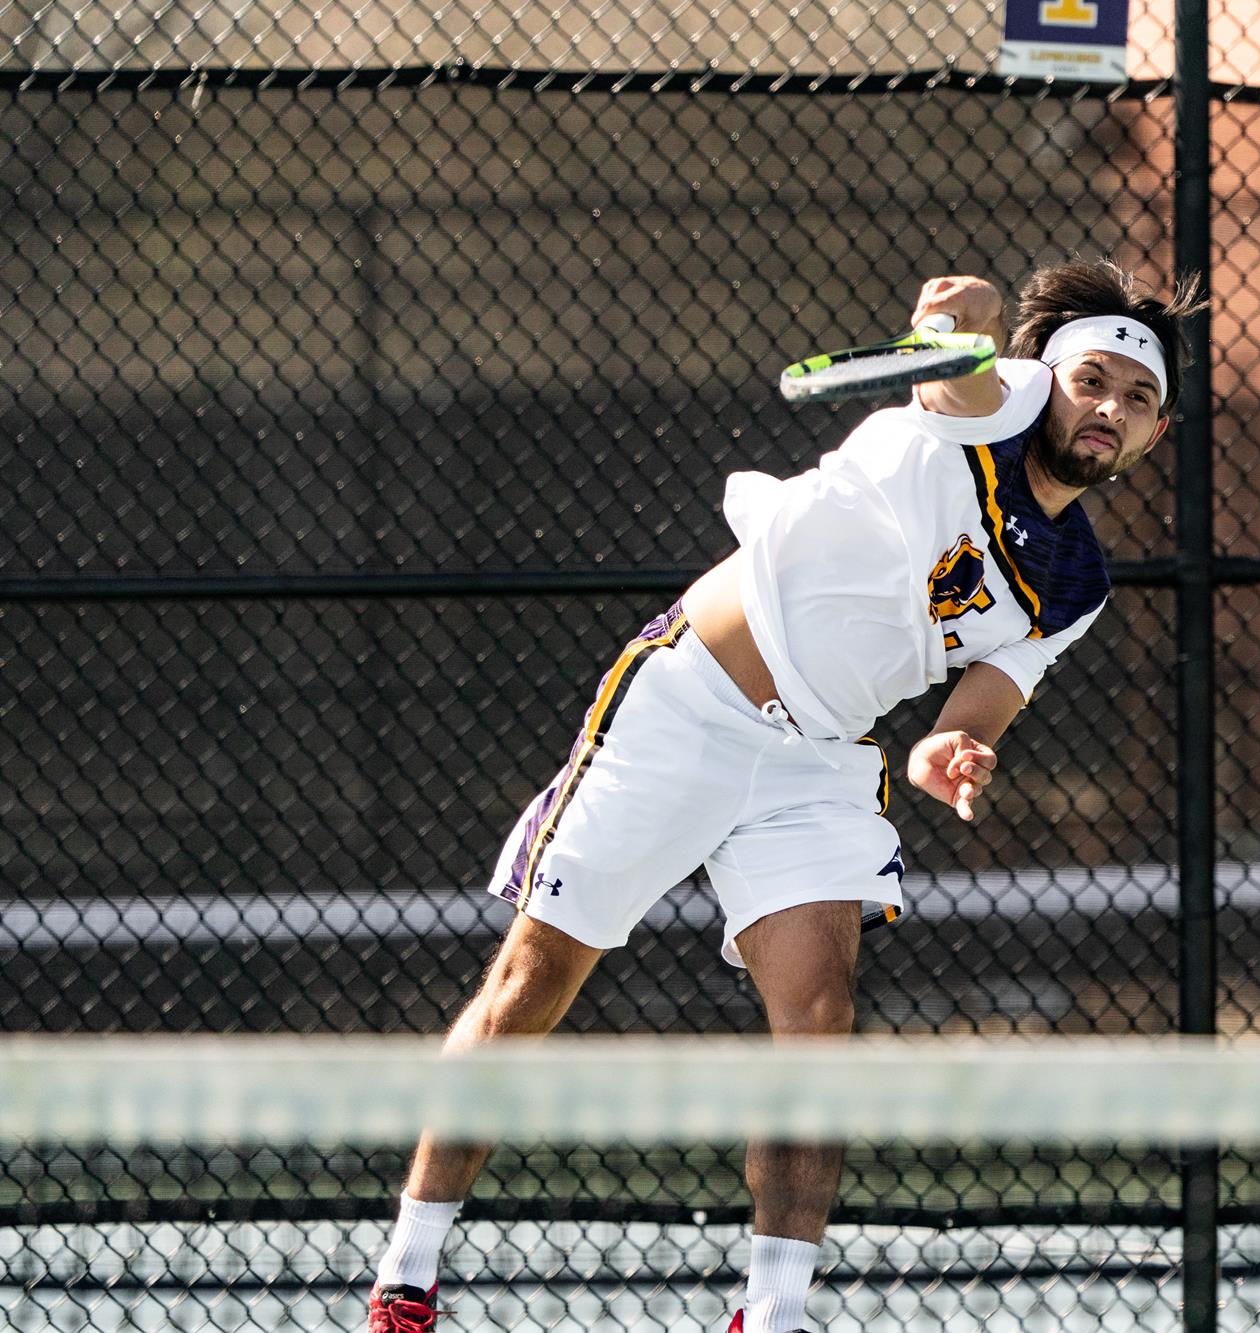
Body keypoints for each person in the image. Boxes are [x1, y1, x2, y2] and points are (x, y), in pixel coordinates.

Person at [364, 260, 1201, 1333]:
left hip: (816, 762)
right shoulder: (988, 404)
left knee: (818, 1021)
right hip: (686, 705)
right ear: (1046, 376)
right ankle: (406, 1279)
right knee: (533, 980)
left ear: (1153, 438)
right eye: (1092, 380)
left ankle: (770, 1315)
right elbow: (957, 362)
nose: (1107, 410)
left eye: (1136, 403)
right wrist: (968, 317)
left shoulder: (1072, 582)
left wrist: (957, 745)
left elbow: (981, 700)